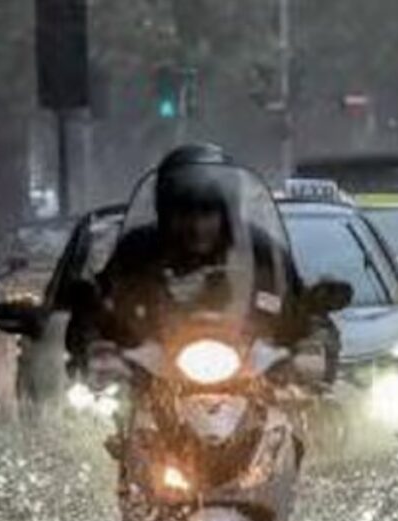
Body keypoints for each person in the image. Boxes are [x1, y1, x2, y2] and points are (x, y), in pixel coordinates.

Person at [68, 144, 323, 362]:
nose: (196, 227)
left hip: (252, 382)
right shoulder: (136, 253)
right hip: (151, 383)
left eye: (207, 213)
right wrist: (97, 345)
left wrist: (311, 349)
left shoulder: (262, 253)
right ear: (165, 213)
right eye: (184, 213)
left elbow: (301, 314)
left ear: (226, 213)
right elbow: (100, 314)